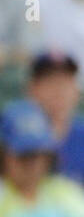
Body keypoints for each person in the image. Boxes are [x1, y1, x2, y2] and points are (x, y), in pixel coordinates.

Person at [26, 50, 84, 183]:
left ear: (76, 91)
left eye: (65, 83)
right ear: (32, 89)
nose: (58, 91)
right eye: (50, 82)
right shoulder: (19, 135)